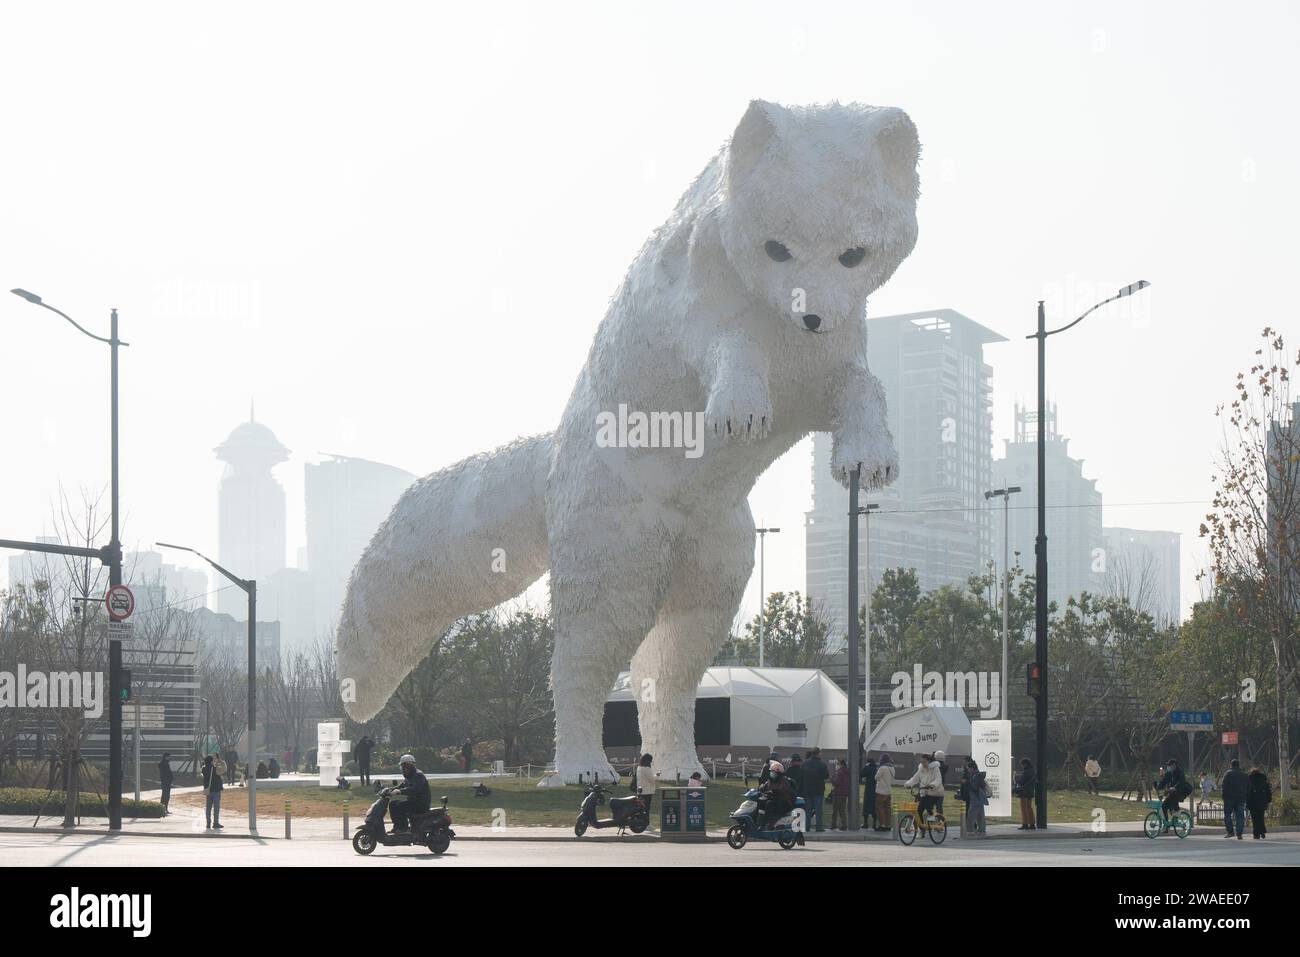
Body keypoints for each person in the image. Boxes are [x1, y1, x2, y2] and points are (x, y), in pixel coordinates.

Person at [386, 754, 430, 834]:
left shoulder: (418, 775)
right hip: (413, 802)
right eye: (402, 767)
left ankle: (404, 829)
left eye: (403, 766)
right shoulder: (409, 776)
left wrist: (400, 791)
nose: (403, 769)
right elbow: (401, 786)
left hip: (421, 804)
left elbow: (415, 789)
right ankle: (397, 827)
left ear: (409, 765)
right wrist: (389, 790)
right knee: (393, 804)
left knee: (400, 806)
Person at [905, 754, 945, 827]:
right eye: (921, 762)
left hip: (935, 793)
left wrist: (932, 785)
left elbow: (938, 779)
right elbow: (915, 778)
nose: (923, 763)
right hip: (924, 792)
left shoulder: (935, 768)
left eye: (924, 762)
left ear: (929, 761)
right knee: (919, 810)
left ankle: (931, 815)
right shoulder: (921, 769)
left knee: (925, 801)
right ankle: (922, 827)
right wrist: (908, 784)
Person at [758, 760, 795, 830]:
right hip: (775, 800)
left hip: (784, 802)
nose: (771, 773)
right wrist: (761, 788)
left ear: (779, 773)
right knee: (760, 802)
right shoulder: (770, 780)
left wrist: (773, 791)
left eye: (773, 772)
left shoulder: (784, 781)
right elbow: (764, 786)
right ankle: (757, 822)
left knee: (769, 804)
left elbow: (780, 789)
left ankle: (764, 825)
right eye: (771, 772)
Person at [1154, 759, 1192, 826]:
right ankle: (1166, 825)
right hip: (1172, 792)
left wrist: (1174, 787)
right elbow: (1163, 782)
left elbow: (1181, 782)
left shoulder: (1180, 772)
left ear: (1174, 765)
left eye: (1169, 765)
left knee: (1173, 797)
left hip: (1181, 792)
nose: (1168, 767)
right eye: (1168, 766)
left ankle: (1177, 812)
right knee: (1164, 806)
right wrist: (1158, 787)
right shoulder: (1168, 774)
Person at [801, 748, 830, 832]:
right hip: (818, 790)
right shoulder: (822, 764)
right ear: (818, 753)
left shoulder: (805, 763)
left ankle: (806, 827)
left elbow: (801, 774)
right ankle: (818, 827)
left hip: (807, 790)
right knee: (818, 810)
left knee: (808, 810)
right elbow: (826, 775)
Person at [1220, 759, 1249, 839]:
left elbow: (1224, 786)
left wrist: (1223, 796)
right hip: (1241, 799)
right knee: (1240, 817)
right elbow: (1248, 787)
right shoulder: (1244, 775)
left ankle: (1230, 832)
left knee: (1227, 815)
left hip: (1229, 798)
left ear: (1231, 765)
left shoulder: (1228, 773)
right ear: (1239, 765)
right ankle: (1239, 834)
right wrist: (1246, 797)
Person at [1246, 767, 1272, 840]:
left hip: (1252, 802)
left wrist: (1246, 801)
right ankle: (1262, 831)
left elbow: (1248, 791)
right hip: (1262, 802)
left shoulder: (1250, 780)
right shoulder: (1264, 780)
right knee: (1261, 817)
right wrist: (1268, 800)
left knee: (1255, 819)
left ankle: (1256, 834)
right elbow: (1268, 791)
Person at [965, 757, 988, 835]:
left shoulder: (975, 776)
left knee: (971, 815)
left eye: (968, 768)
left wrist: (967, 783)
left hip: (975, 798)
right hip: (980, 798)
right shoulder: (978, 775)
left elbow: (974, 788)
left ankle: (970, 830)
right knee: (980, 815)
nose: (968, 770)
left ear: (972, 768)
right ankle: (982, 829)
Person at [201, 754, 224, 830]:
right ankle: (215, 823)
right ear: (211, 761)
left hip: (208, 790)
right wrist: (221, 762)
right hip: (216, 790)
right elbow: (224, 769)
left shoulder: (204, 769)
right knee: (216, 807)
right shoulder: (214, 769)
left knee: (208, 808)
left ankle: (208, 823)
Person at [874, 754, 895, 831]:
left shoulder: (882, 768)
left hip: (881, 791)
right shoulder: (892, 768)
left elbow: (876, 777)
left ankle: (882, 825)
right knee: (887, 809)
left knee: (880, 808)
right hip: (888, 791)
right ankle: (888, 825)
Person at [1015, 757, 1036, 830]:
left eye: (1022, 765)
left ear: (1025, 764)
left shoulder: (1026, 772)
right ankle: (1032, 824)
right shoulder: (1033, 771)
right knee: (1029, 808)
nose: (1022, 766)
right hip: (1030, 792)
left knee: (1024, 808)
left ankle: (1025, 824)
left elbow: (1021, 782)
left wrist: (1016, 778)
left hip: (1024, 792)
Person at [830, 759, 851, 830]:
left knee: (835, 810)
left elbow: (837, 782)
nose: (836, 765)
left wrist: (831, 779)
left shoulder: (839, 772)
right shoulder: (847, 772)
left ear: (841, 764)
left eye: (837, 764)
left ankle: (833, 824)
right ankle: (844, 825)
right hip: (844, 794)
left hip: (838, 793)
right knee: (842, 810)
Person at [635, 753, 657, 820]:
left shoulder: (639, 768)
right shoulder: (647, 769)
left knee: (641, 809)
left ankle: (640, 822)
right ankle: (646, 822)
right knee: (647, 808)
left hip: (640, 791)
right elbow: (652, 780)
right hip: (647, 792)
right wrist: (657, 776)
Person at [860, 755, 878, 829]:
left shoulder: (868, 768)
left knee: (866, 807)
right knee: (874, 807)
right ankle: (874, 824)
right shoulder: (876, 769)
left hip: (868, 789)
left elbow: (861, 774)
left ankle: (865, 823)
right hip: (875, 790)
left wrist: (866, 767)